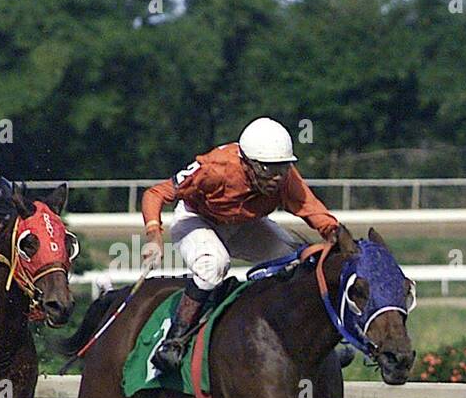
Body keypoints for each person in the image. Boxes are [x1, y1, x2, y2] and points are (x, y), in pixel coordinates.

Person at [140, 117, 343, 373]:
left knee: (298, 260)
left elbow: (312, 210)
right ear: (246, 163)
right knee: (213, 264)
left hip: (244, 224)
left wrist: (334, 233)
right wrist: (154, 237)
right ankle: (174, 340)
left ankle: (317, 338)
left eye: (282, 168)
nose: (277, 178)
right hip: (197, 219)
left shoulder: (285, 177)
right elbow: (155, 194)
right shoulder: (215, 169)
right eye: (268, 170)